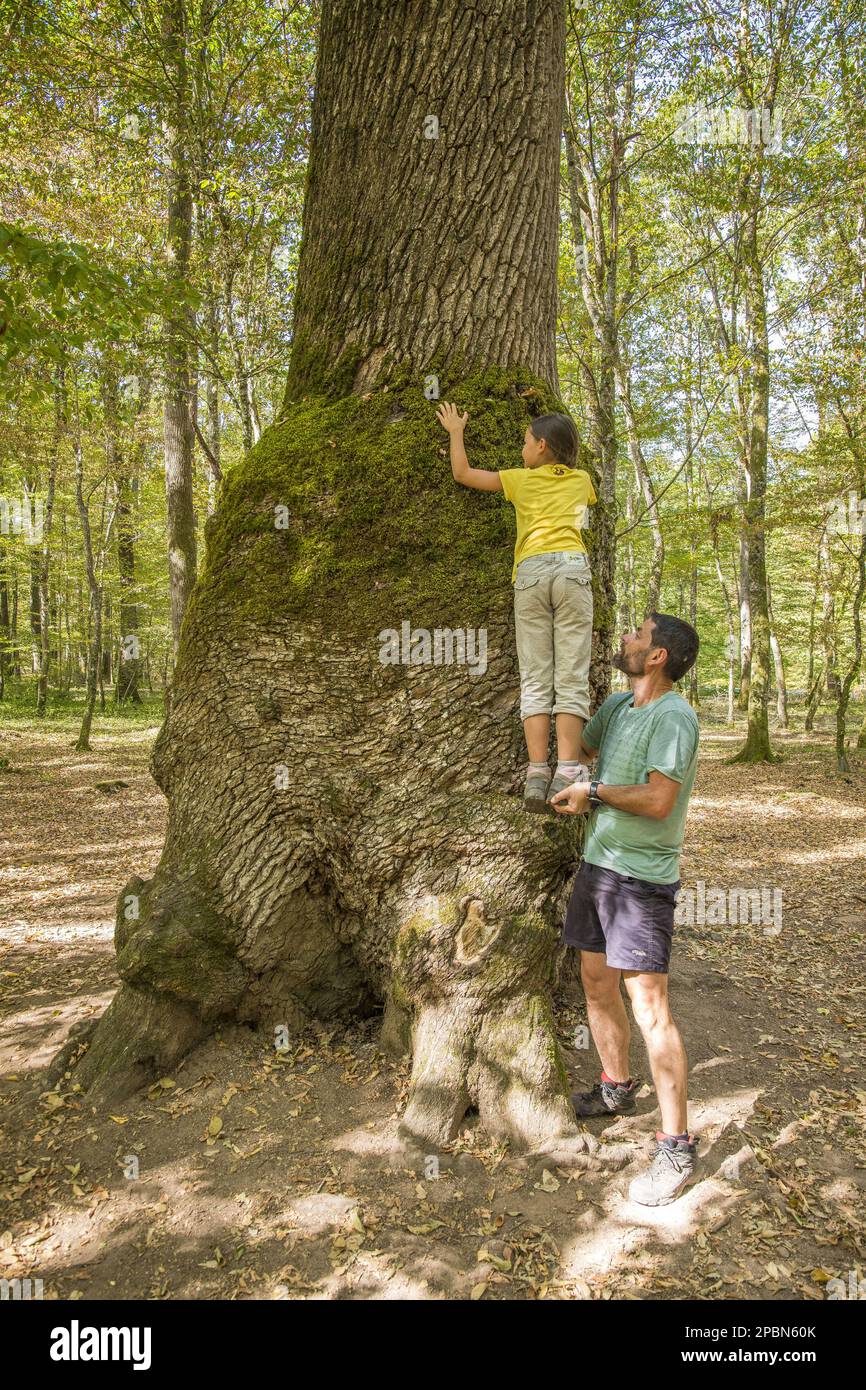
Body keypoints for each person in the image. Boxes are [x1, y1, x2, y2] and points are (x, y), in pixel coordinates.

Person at [551, 613, 701, 1206]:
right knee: (595, 984)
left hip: (642, 881)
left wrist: (594, 792)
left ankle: (676, 1146)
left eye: (637, 635)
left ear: (658, 655)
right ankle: (616, 1088)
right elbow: (581, 747)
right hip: (598, 868)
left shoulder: (675, 717)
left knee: (651, 1007)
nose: (625, 639)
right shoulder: (618, 705)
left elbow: (660, 800)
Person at [436, 401, 597, 811]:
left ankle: (536, 773)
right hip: (572, 570)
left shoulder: (520, 480)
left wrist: (457, 431)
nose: (522, 448)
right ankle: (568, 770)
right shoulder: (582, 480)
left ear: (542, 446)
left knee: (537, 678)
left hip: (531, 572)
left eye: (526, 442)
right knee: (572, 676)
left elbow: (463, 474)